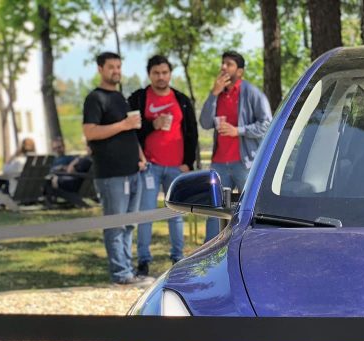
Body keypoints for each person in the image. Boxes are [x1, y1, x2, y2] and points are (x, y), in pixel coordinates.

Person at [82, 51, 152, 287]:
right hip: (111, 174)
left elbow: (130, 133)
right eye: (111, 67)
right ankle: (121, 274)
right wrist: (123, 124)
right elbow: (90, 132)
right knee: (116, 224)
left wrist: (141, 157)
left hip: (133, 171)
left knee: (129, 224)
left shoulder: (120, 97)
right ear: (100, 69)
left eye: (119, 67)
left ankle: (128, 271)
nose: (116, 71)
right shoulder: (95, 98)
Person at [129, 54, 199, 274]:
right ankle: (143, 260)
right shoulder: (139, 99)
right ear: (149, 74)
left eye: (165, 72)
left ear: (170, 74)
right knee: (147, 214)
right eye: (156, 73)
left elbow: (192, 133)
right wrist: (153, 125)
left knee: (175, 214)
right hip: (149, 166)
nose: (161, 77)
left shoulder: (182, 100)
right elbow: (131, 131)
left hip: (177, 167)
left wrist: (188, 162)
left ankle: (177, 257)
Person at [198, 50, 272, 241]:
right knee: (215, 213)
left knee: (252, 208)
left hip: (244, 163)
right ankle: (211, 252)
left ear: (240, 71)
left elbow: (266, 124)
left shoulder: (252, 93)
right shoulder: (217, 95)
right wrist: (213, 93)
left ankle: (255, 245)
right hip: (219, 164)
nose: (223, 67)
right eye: (223, 63)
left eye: (229, 64)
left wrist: (237, 130)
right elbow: (205, 123)